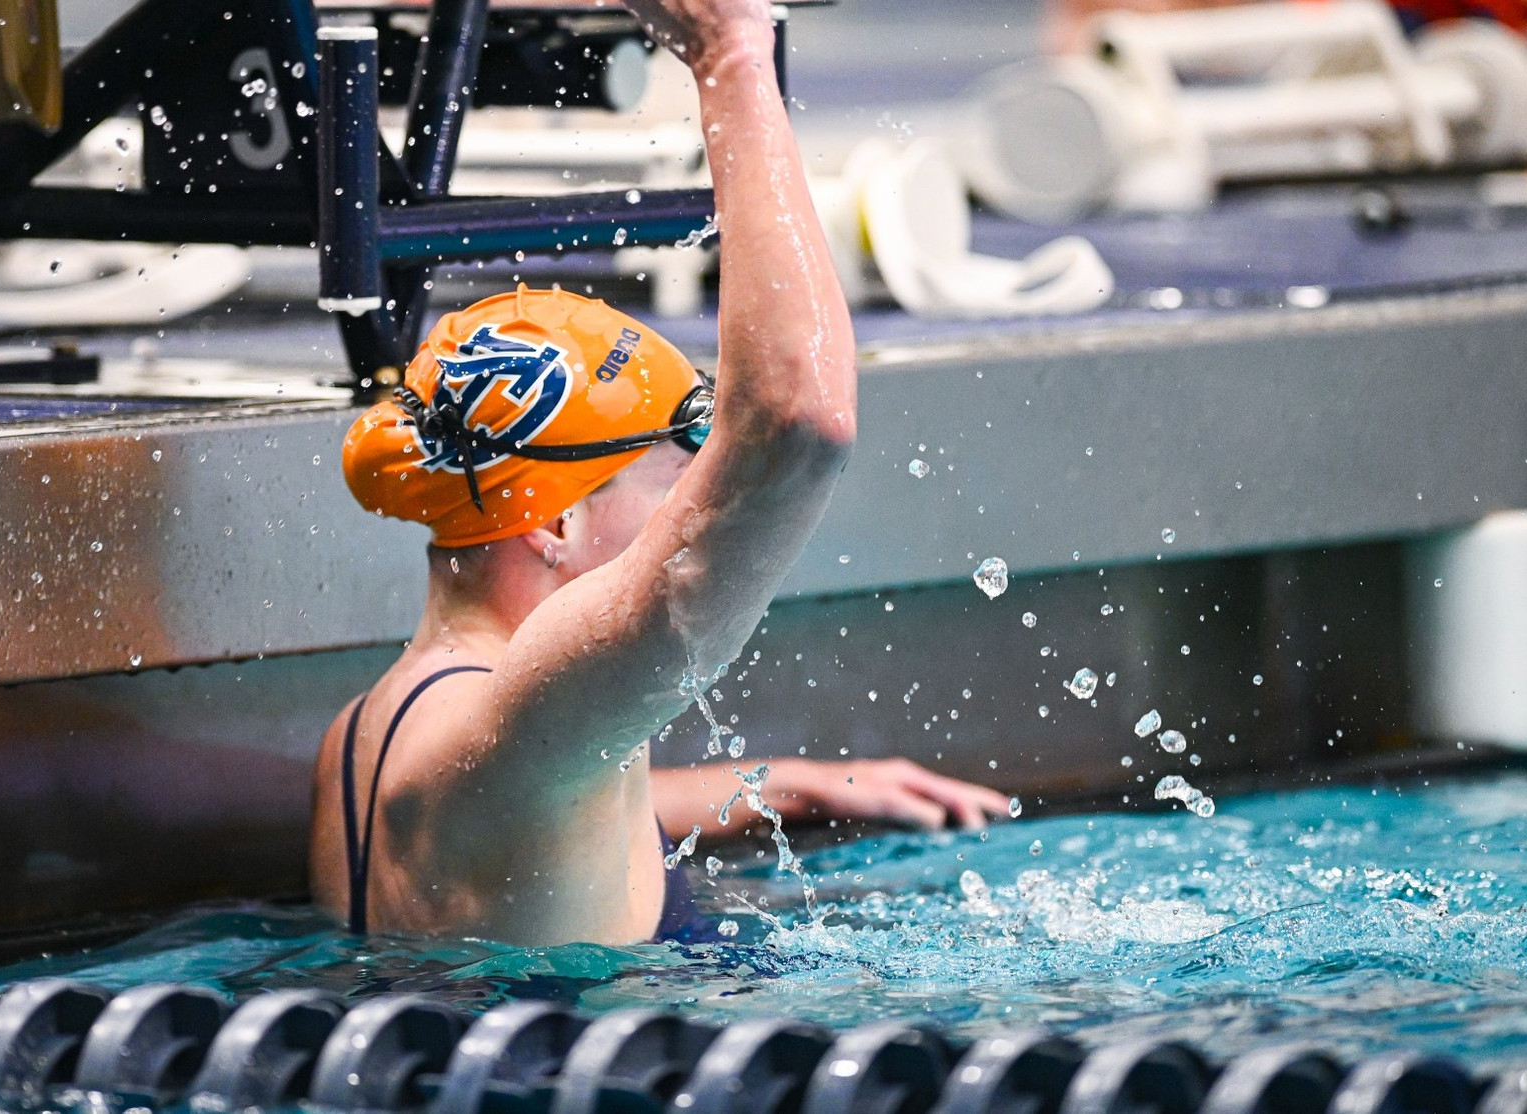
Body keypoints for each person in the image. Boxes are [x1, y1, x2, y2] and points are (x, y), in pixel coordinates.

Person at [311, 0, 1010, 947]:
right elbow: (799, 422)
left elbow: (568, 799)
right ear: (549, 524)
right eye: (671, 472)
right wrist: (729, 55)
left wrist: (792, 782)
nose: (695, 501)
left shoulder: (380, 728)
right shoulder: (523, 716)